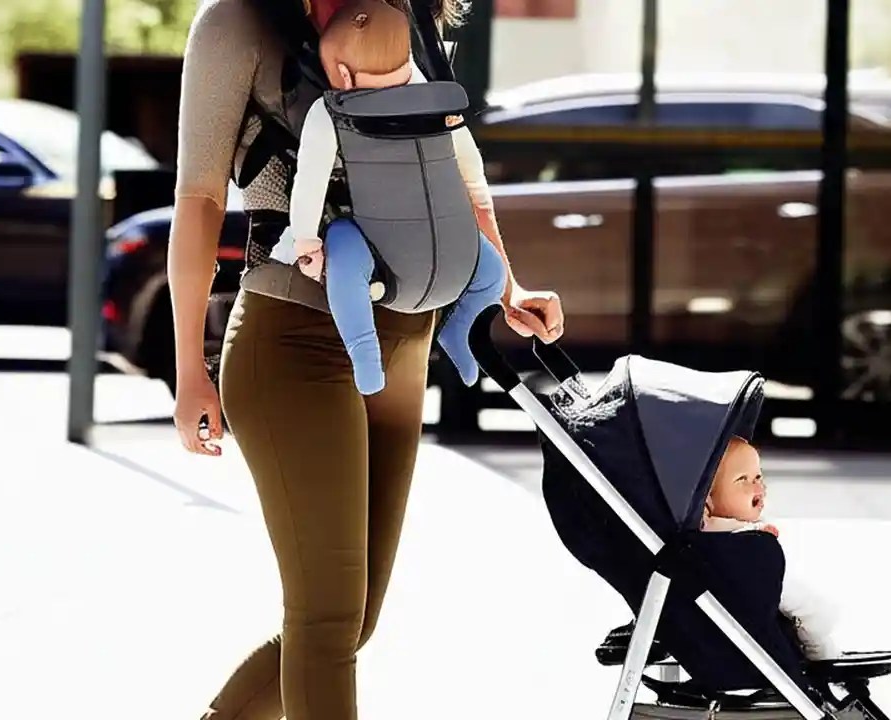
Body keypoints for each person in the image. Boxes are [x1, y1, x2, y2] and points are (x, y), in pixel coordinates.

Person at [166, 1, 564, 718]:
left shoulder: (407, 14)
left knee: (352, 619)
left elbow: (455, 175)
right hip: (293, 335)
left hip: (404, 338)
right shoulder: (235, 25)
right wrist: (190, 365)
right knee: (324, 620)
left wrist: (506, 283)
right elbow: (197, 198)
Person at [277, 0, 507, 395]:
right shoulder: (440, 101)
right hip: (459, 263)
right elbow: (472, 170)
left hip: (386, 267)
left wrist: (306, 242)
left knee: (342, 243)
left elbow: (310, 181)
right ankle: (461, 331)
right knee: (493, 273)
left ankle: (365, 354)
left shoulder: (332, 113)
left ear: (344, 75)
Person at [702, 436, 844, 661]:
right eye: (742, 480)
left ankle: (825, 653)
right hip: (762, 581)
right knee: (817, 613)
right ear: (707, 500)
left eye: (758, 476)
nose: (758, 486)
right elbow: (709, 526)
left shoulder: (714, 530)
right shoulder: (716, 533)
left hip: (759, 594)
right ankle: (823, 659)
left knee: (813, 614)